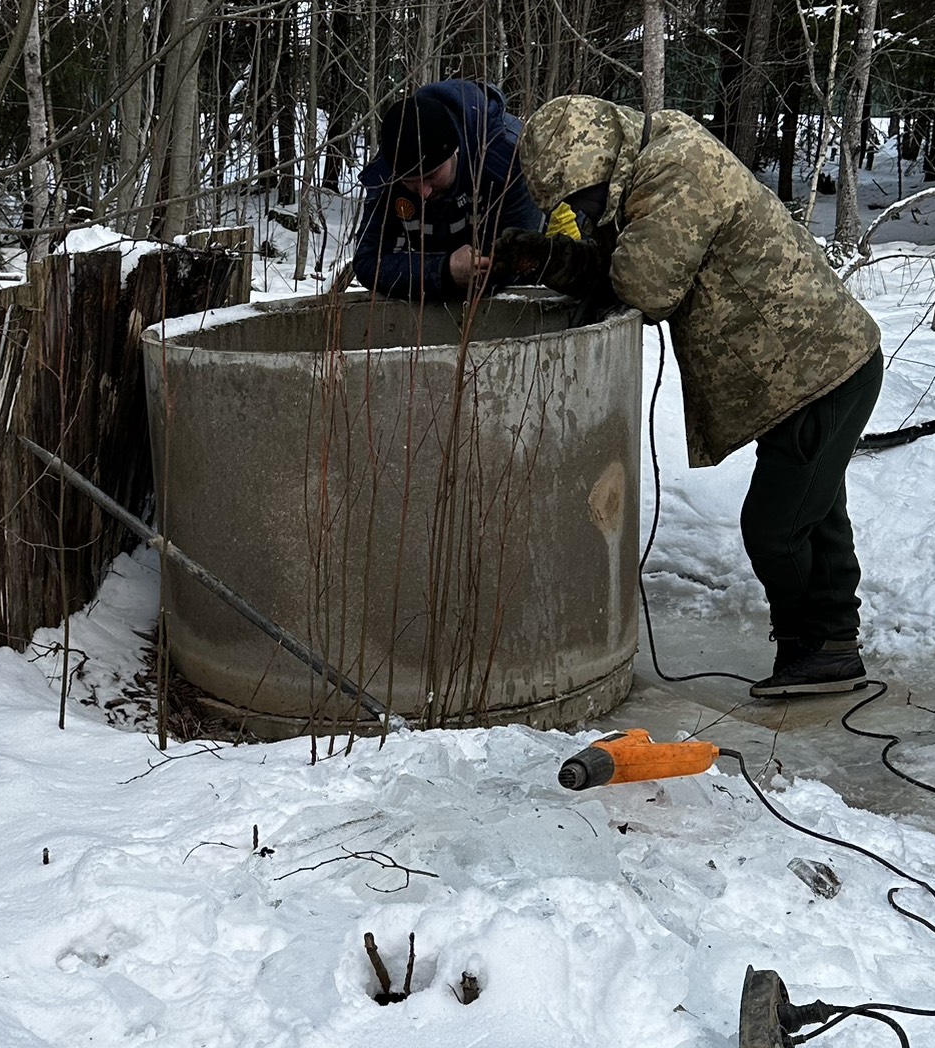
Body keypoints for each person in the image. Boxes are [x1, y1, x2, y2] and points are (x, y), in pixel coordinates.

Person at [504, 96, 885, 697]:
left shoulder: (676, 166)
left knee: (777, 528)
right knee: (818, 517)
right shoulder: (651, 161)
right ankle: (829, 648)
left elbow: (645, 286)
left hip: (819, 371)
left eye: (581, 199)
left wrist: (564, 258)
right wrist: (549, 256)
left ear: (599, 163)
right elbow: (630, 263)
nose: (581, 212)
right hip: (807, 370)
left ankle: (813, 644)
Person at [352, 82, 541, 300]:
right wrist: (443, 270)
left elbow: (519, 258)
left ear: (455, 150)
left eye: (432, 175)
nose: (423, 192)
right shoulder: (389, 168)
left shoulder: (506, 160)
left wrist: (478, 269)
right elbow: (368, 261)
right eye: (410, 181)